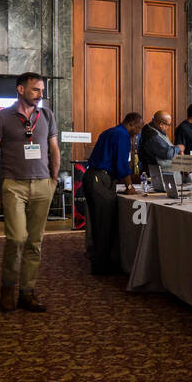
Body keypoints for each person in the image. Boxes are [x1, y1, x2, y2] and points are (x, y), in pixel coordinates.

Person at [0, 72, 61, 313]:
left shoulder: (46, 115)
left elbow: (54, 148)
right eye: (36, 90)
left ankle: (27, 293)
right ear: (20, 89)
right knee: (17, 238)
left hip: (43, 185)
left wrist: (54, 179)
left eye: (41, 90)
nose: (40, 94)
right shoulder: (1, 117)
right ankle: (7, 289)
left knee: (34, 242)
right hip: (13, 185)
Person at [83, 112, 142, 274]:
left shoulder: (110, 132)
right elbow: (122, 164)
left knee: (99, 223)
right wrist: (130, 187)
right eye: (137, 128)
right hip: (99, 180)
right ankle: (101, 267)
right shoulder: (122, 135)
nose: (138, 132)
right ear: (130, 123)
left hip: (93, 177)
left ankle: (101, 262)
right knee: (103, 224)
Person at [138, 111, 180, 188]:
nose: (168, 128)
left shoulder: (153, 129)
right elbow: (167, 153)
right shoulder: (152, 135)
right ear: (161, 124)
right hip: (157, 174)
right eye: (168, 125)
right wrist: (178, 148)